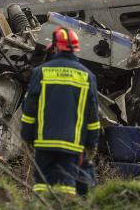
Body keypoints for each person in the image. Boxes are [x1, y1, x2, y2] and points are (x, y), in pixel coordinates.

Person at [20, 27, 100, 196]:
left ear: (55, 48)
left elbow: (29, 110)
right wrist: (91, 144)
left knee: (42, 186)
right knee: (67, 189)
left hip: (44, 143)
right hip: (72, 146)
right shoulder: (87, 76)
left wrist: (26, 136)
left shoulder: (41, 72)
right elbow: (93, 118)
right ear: (75, 49)